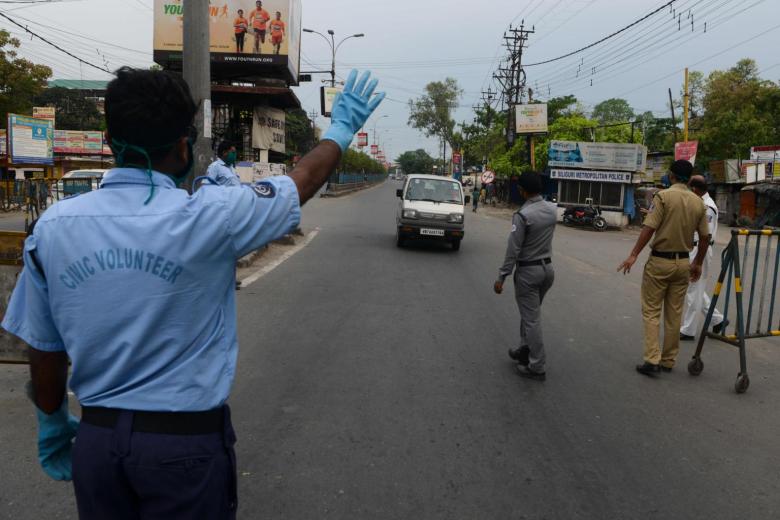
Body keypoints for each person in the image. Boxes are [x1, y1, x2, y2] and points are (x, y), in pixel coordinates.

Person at [2, 67, 384, 518]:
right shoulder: (213, 216)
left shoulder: (54, 227)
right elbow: (299, 183)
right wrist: (339, 129)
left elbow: (43, 347)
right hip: (183, 448)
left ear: (109, 139)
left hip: (97, 444)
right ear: (184, 144)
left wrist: (50, 421)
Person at [617, 160, 710, 376]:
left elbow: (649, 228)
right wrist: (697, 263)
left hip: (660, 262)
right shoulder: (698, 203)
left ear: (671, 175)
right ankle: (668, 360)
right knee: (674, 313)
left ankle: (652, 360)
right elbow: (705, 238)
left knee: (651, 311)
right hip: (683, 263)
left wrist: (633, 255)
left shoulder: (663, 197)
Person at [494, 172, 557, 381]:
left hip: (528, 272)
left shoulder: (523, 215)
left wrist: (502, 277)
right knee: (530, 313)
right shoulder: (551, 211)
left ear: (522, 190)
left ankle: (537, 366)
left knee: (531, 319)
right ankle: (524, 349)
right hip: (547, 270)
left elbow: (513, 250)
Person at [680, 175, 727, 340]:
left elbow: (704, 236)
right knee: (695, 288)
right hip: (695, 248)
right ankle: (717, 319)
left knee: (693, 289)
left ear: (694, 189)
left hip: (701, 249)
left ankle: (688, 330)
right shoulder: (701, 203)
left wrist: (698, 261)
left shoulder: (707, 207)